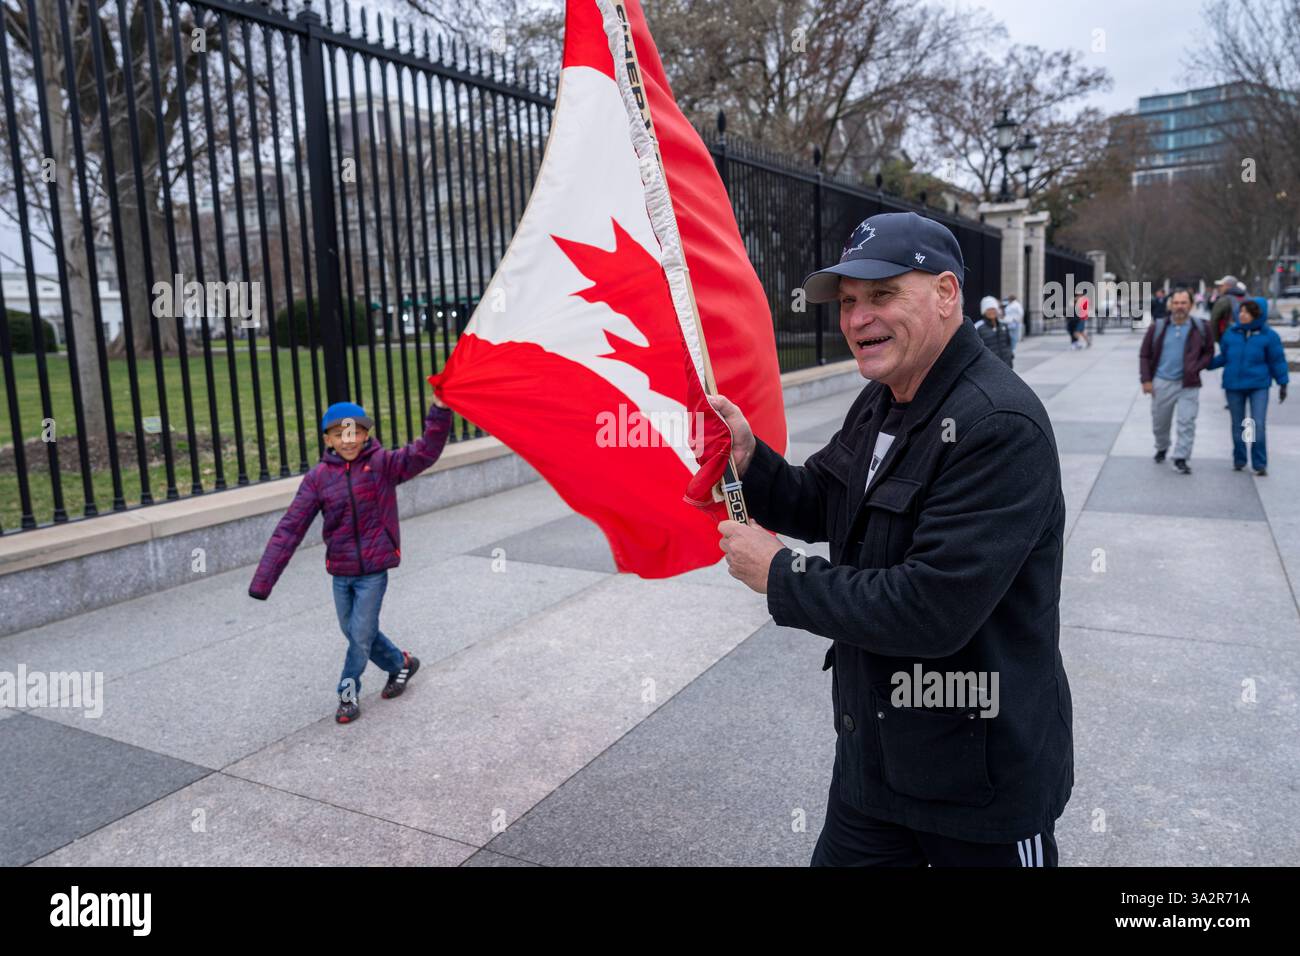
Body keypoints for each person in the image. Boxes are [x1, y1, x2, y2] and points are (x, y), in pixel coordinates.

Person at [711, 211, 1072, 867]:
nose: (856, 318)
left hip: (979, 790)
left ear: (944, 294)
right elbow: (821, 499)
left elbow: (931, 609)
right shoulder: (885, 397)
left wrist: (783, 576)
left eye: (881, 295)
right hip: (874, 767)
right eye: (848, 302)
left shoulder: (999, 424)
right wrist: (750, 461)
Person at [249, 397, 453, 722]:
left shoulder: (384, 465)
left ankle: (347, 694)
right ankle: (400, 664)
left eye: (355, 432)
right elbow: (289, 529)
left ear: (366, 435)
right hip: (341, 572)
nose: (348, 440)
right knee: (356, 632)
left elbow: (425, 451)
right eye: (339, 434)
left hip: (374, 571)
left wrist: (440, 410)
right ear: (327, 440)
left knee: (360, 635)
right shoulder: (317, 479)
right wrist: (263, 581)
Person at [1208, 299, 1289, 475]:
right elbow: (1224, 357)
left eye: (1247, 312)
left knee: (1256, 424)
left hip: (1258, 386)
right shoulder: (1231, 334)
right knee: (1238, 425)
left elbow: (1277, 361)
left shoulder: (1269, 336)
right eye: (1241, 311)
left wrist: (1283, 383)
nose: (1242, 315)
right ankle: (1240, 458)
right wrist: (1204, 363)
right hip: (1234, 385)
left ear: (1257, 315)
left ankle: (1259, 463)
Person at [1139, 288, 1214, 474]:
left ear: (1191, 305)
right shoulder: (1157, 327)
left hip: (1189, 384)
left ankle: (1181, 457)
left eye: (1184, 303)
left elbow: (1209, 352)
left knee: (1187, 422)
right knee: (1160, 422)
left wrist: (1196, 367)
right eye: (1176, 303)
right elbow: (1144, 354)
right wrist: (1146, 380)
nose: (1180, 306)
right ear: (1170, 305)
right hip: (1162, 382)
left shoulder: (1202, 327)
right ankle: (1162, 446)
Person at [975, 295, 1014, 368]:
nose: (991, 311)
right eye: (988, 309)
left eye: (993, 309)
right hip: (990, 367)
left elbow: (1008, 343)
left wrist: (1010, 356)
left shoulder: (1003, 325)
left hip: (1006, 365)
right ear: (984, 311)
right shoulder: (978, 327)